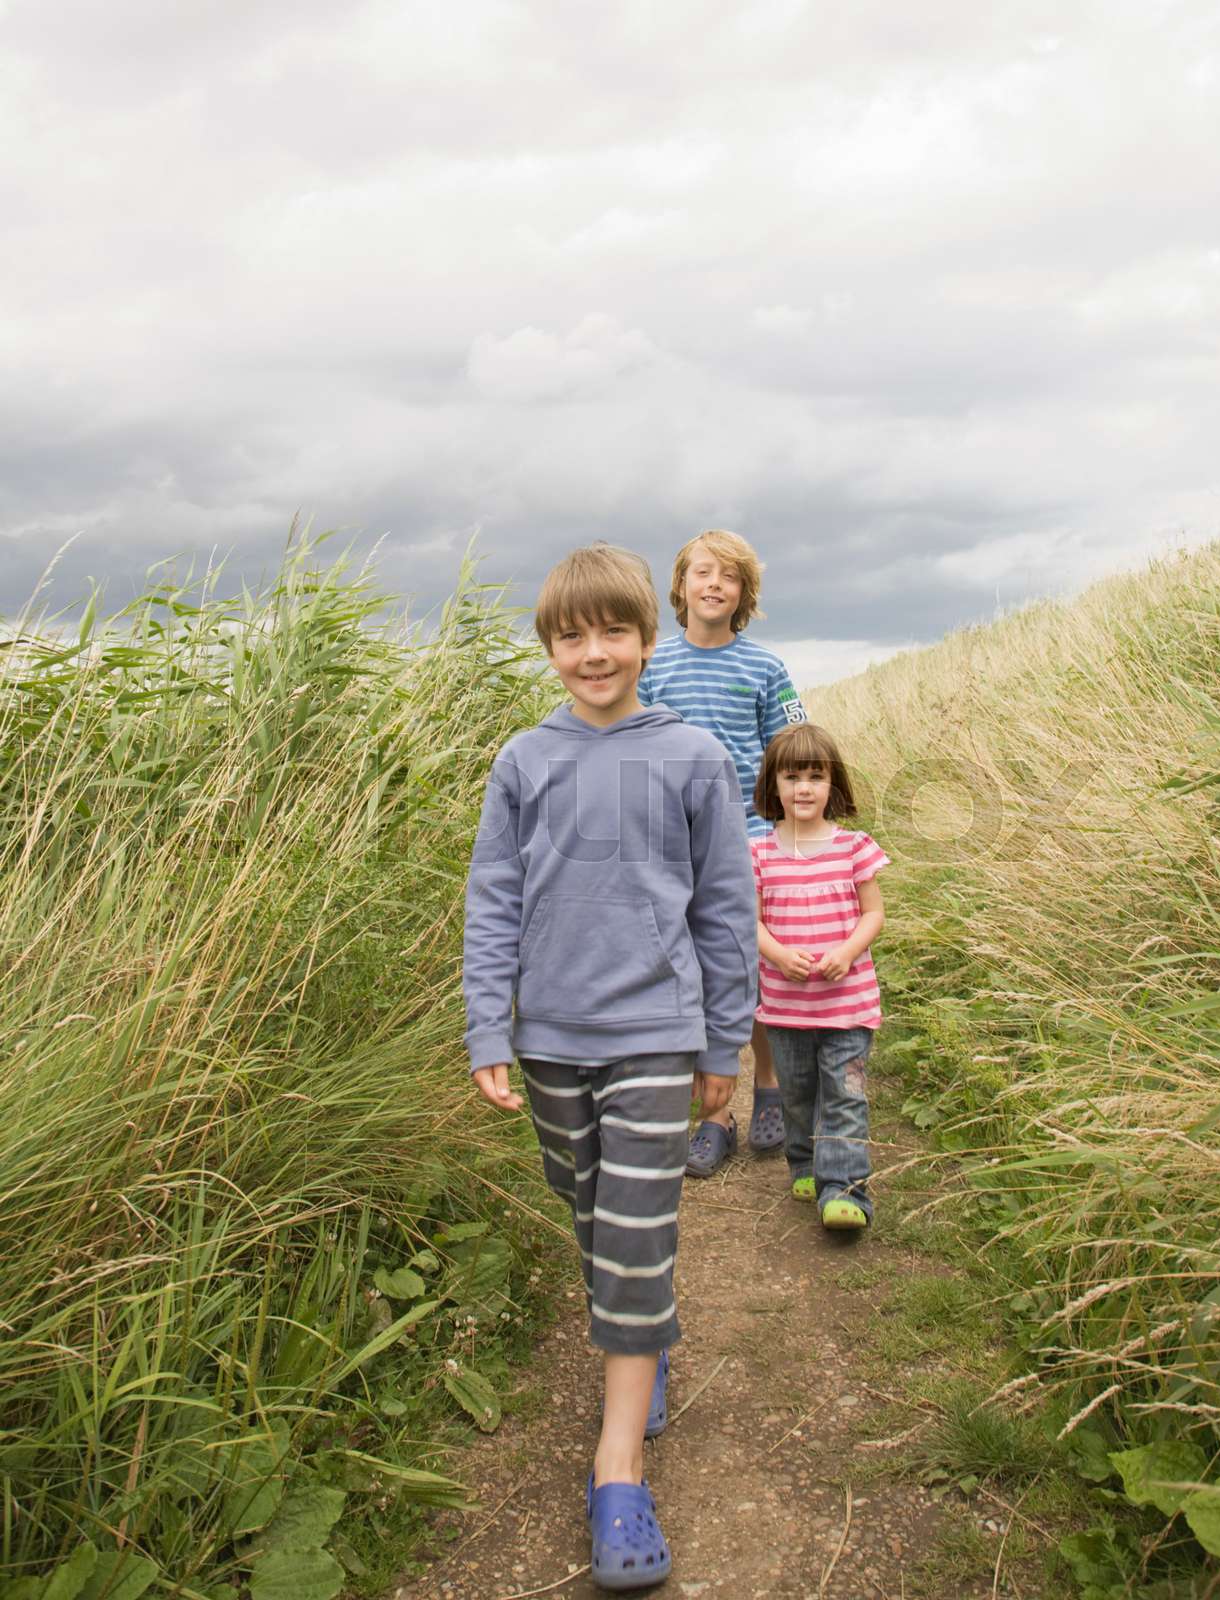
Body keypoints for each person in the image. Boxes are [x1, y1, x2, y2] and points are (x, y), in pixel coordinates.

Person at [463, 543, 756, 1591]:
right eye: (571, 634)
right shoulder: (521, 761)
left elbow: (727, 907)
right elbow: (492, 899)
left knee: (636, 1235)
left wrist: (723, 1041)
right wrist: (486, 1027)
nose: (595, 652)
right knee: (591, 1215)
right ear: (549, 646)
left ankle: (617, 1467)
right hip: (548, 1037)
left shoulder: (691, 757)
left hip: (653, 1035)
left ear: (647, 636)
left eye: (614, 631)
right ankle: (648, 1340)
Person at [637, 529, 807, 1176]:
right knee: (695, 975)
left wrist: (788, 831)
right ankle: (714, 1117)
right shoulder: (657, 667)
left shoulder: (765, 668)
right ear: (680, 587)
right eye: (701, 572)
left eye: (728, 576)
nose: (714, 583)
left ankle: (768, 1087)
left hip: (753, 838)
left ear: (744, 594)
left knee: (752, 971)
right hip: (678, 843)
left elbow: (791, 749)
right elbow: (641, 751)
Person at [751, 722, 888, 1230]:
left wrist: (849, 951)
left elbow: (873, 914)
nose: (803, 788)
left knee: (845, 1095)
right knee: (798, 1091)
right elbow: (750, 920)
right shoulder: (760, 854)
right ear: (773, 787)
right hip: (786, 1008)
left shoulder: (853, 847)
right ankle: (805, 1163)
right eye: (791, 777)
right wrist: (780, 954)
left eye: (815, 776)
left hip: (847, 1003)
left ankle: (845, 1190)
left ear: (834, 785)